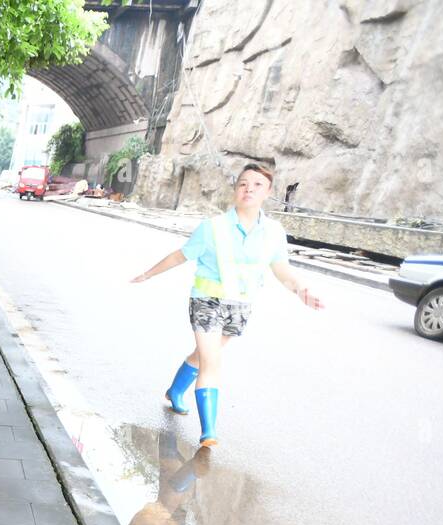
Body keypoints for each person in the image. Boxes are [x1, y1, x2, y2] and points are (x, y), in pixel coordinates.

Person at [131, 163, 324, 446]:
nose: (249, 189)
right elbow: (180, 255)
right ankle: (208, 431)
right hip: (206, 300)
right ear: (235, 190)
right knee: (212, 361)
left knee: (202, 355)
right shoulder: (213, 228)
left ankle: (175, 391)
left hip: (240, 305)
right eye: (243, 183)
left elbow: (281, 269)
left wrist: (301, 290)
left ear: (268, 192)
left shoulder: (273, 231)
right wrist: (148, 274)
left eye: (257, 185)